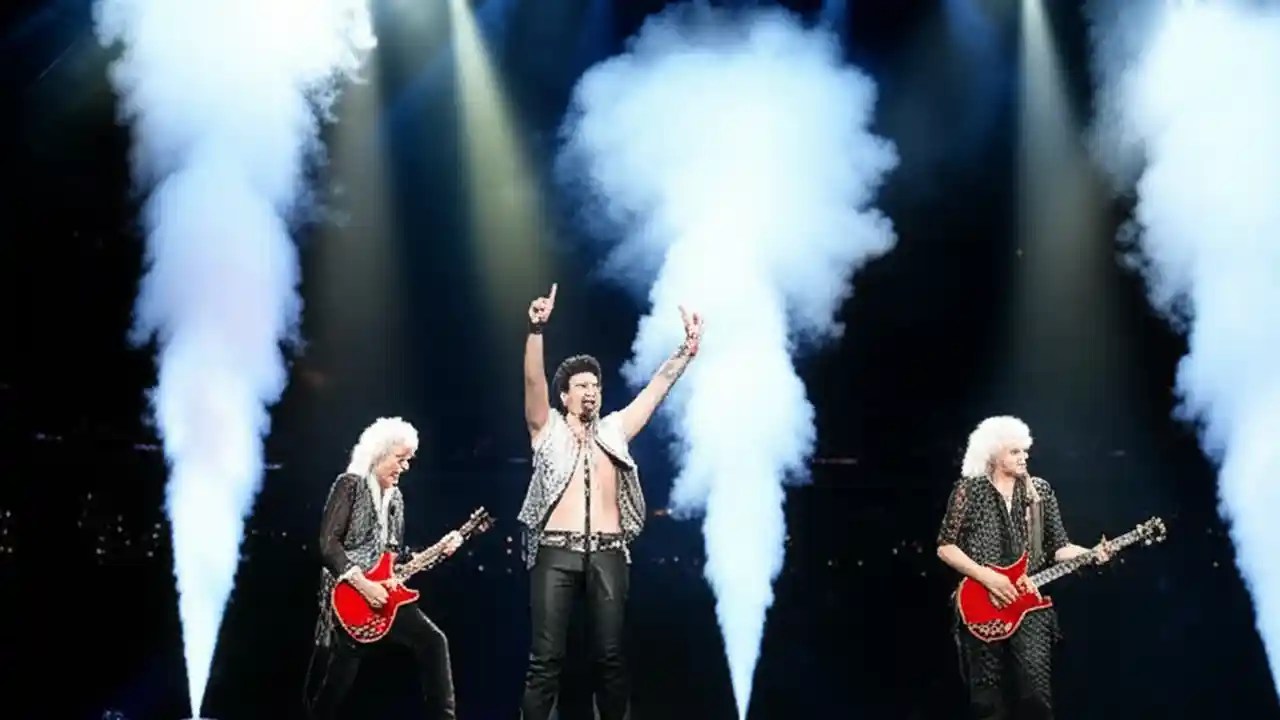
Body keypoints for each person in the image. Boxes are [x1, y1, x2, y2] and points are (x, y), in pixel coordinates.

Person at [518, 283, 703, 720]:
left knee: (611, 660)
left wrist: (685, 352)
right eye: (580, 385)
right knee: (545, 662)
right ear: (564, 396)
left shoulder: (615, 429)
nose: (590, 390)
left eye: (595, 384)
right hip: (555, 552)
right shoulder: (546, 431)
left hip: (607, 553)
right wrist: (535, 330)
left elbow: (656, 390)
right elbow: (532, 380)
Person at [936, 415, 1114, 719]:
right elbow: (945, 547)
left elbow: (1059, 546)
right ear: (994, 454)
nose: (1024, 457)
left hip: (1030, 607)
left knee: (1036, 697)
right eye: (1015, 452)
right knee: (987, 702)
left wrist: (1090, 554)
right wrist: (987, 577)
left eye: (1025, 450)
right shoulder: (969, 491)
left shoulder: (1039, 492)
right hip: (980, 602)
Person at [305, 416, 463, 720]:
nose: (405, 467)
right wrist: (364, 585)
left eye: (408, 461)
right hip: (346, 598)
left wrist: (440, 551)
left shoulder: (396, 500)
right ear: (379, 452)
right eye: (400, 459)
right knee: (335, 681)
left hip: (381, 596)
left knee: (433, 641)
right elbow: (328, 545)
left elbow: (394, 558)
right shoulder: (349, 485)